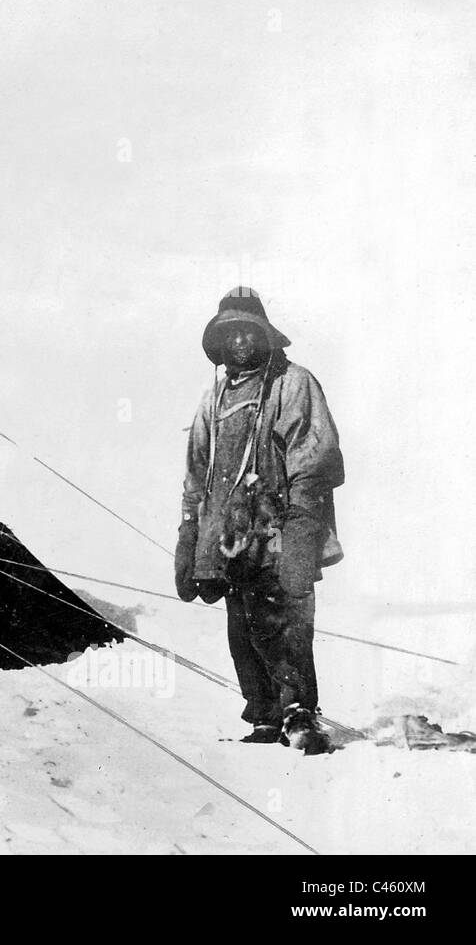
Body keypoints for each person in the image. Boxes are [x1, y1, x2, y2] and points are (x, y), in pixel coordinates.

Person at [176, 289, 345, 754]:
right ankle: (265, 712)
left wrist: (303, 528)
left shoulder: (292, 383)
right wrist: (190, 534)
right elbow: (196, 469)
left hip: (277, 526)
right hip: (227, 535)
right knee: (242, 624)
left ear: (264, 334)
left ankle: (298, 713)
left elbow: (314, 455)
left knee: (285, 618)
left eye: (248, 332)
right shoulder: (214, 398)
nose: (240, 343)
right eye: (230, 335)